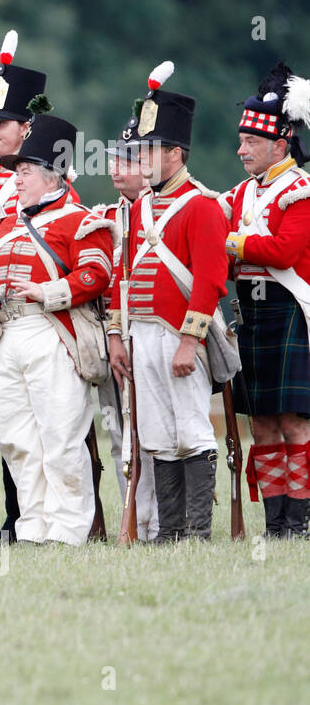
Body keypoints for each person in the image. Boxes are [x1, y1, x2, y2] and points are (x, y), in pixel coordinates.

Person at [0, 114, 114, 544]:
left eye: (24, 172)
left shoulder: (78, 220)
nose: (16, 180)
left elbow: (97, 273)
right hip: (5, 338)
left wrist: (48, 291)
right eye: (17, 172)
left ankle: (68, 529)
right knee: (18, 440)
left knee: (60, 436)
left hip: (51, 333)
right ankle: (33, 526)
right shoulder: (5, 224)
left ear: (50, 175)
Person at [106, 63, 227, 541]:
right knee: (156, 435)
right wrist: (118, 334)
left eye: (151, 150)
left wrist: (188, 341)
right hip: (141, 334)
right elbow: (124, 273)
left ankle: (197, 531)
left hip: (179, 334)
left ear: (176, 153)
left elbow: (211, 279)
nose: (143, 158)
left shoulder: (202, 205)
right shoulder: (140, 207)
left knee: (191, 430)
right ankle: (168, 531)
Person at [0, 30, 54, 542]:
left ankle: (58, 518)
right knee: (10, 427)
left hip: (39, 320)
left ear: (27, 127)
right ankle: (15, 517)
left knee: (52, 425)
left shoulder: (52, 177)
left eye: (2, 123)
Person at [220, 62, 310, 538]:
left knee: (294, 422)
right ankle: (276, 521)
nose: (241, 150)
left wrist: (235, 244)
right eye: (241, 141)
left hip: (289, 308)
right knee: (263, 423)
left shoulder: (300, 189)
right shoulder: (238, 195)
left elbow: (285, 251)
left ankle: (300, 518)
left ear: (280, 144)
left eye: (250, 142)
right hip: (251, 312)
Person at [104, 132, 159, 540]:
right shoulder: (106, 215)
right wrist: (113, 334)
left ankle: (158, 522)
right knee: (119, 434)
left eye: (125, 161)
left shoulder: (161, 213)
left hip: (153, 332)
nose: (114, 170)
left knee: (155, 433)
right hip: (115, 338)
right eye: (112, 161)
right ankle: (132, 518)